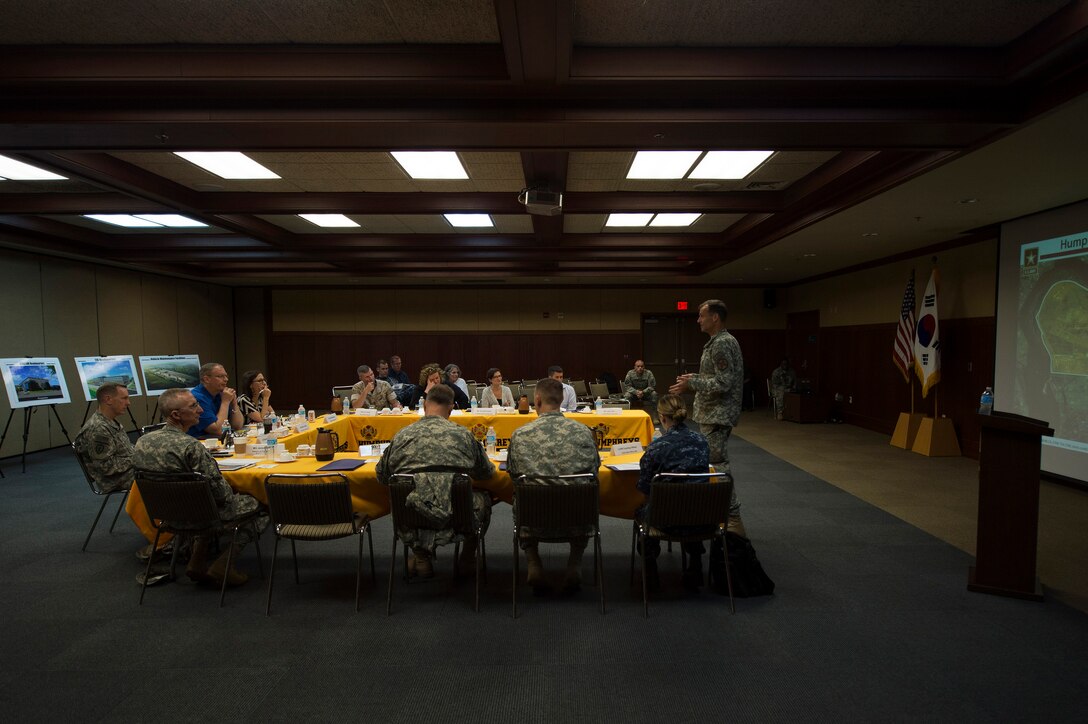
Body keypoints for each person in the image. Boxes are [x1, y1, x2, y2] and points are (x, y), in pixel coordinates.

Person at [134, 388, 263, 587]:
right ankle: (223, 565)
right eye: (194, 406)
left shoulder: (142, 441)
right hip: (199, 516)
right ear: (176, 415)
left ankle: (197, 562)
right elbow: (222, 496)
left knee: (203, 504)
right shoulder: (191, 447)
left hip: (167, 516)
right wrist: (241, 490)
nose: (201, 411)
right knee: (261, 506)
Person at [375, 384, 495, 577]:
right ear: (451, 408)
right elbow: (486, 473)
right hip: (458, 516)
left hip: (411, 513)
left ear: (425, 405)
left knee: (402, 493)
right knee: (485, 498)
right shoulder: (463, 436)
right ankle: (466, 557)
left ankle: (421, 555)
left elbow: (381, 476)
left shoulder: (402, 436)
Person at [507, 377, 601, 593]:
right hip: (577, 517)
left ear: (537, 400)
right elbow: (593, 470)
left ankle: (533, 561)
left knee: (521, 494)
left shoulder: (521, 435)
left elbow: (513, 475)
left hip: (534, 517)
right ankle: (575, 563)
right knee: (585, 492)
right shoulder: (584, 432)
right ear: (561, 400)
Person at [668, 299, 746, 536]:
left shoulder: (722, 344)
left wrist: (693, 383)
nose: (698, 320)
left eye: (702, 316)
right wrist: (696, 377)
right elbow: (717, 376)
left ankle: (733, 520)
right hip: (714, 413)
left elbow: (724, 382)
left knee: (718, 465)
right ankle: (718, 515)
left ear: (715, 318)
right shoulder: (718, 342)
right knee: (713, 463)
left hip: (717, 414)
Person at [636, 394, 713, 592]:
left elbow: (645, 489)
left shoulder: (657, 447)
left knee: (641, 511)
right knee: (691, 504)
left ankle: (650, 567)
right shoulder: (702, 441)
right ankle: (695, 563)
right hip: (702, 517)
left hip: (665, 519)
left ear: (661, 417)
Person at [74, 382, 135, 493]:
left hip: (127, 472)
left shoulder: (109, 421)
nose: (128, 403)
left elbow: (125, 450)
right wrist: (138, 458)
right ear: (108, 399)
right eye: (124, 398)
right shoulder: (98, 429)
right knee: (165, 475)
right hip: (115, 480)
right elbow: (105, 467)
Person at [188, 362, 244, 438]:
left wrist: (234, 403)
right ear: (207, 379)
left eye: (226, 376)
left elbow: (238, 426)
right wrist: (225, 402)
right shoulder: (196, 397)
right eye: (220, 376)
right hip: (200, 442)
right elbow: (219, 430)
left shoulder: (221, 394)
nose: (226, 379)